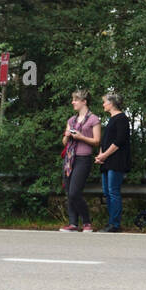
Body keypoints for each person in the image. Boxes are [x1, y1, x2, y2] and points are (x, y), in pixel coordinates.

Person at [60, 90, 101, 232]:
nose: (73, 102)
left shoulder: (93, 119)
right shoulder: (71, 120)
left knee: (74, 192)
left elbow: (96, 141)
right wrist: (67, 135)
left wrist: (81, 137)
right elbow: (64, 142)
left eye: (75, 100)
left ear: (84, 101)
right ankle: (73, 223)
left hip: (83, 158)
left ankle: (87, 222)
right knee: (68, 192)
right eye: (73, 100)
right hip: (69, 159)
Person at [94, 92, 131, 232]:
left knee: (113, 191)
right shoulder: (111, 119)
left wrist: (105, 155)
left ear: (111, 103)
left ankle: (115, 224)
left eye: (105, 102)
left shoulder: (122, 118)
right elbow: (106, 140)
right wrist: (100, 155)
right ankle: (110, 222)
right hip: (107, 161)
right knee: (107, 192)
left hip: (116, 160)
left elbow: (119, 141)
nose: (103, 104)